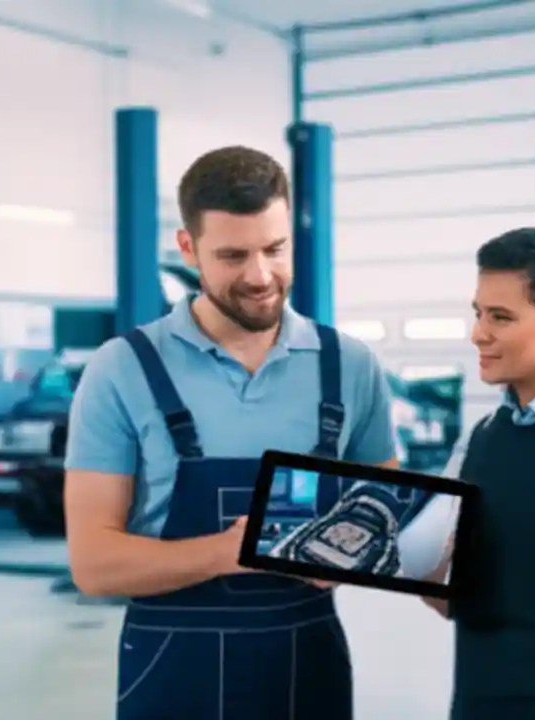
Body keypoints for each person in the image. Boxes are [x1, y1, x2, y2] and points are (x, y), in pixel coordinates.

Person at [62, 145, 399, 720]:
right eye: (234, 256)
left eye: (275, 249)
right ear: (188, 248)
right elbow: (94, 564)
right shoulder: (123, 369)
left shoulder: (349, 367)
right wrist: (229, 552)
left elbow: (386, 517)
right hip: (173, 671)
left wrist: (355, 552)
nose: (260, 276)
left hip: (307, 667)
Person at [397, 228, 535, 720]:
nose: (479, 333)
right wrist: (424, 575)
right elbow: (484, 598)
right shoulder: (488, 435)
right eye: (479, 313)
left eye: (500, 317)